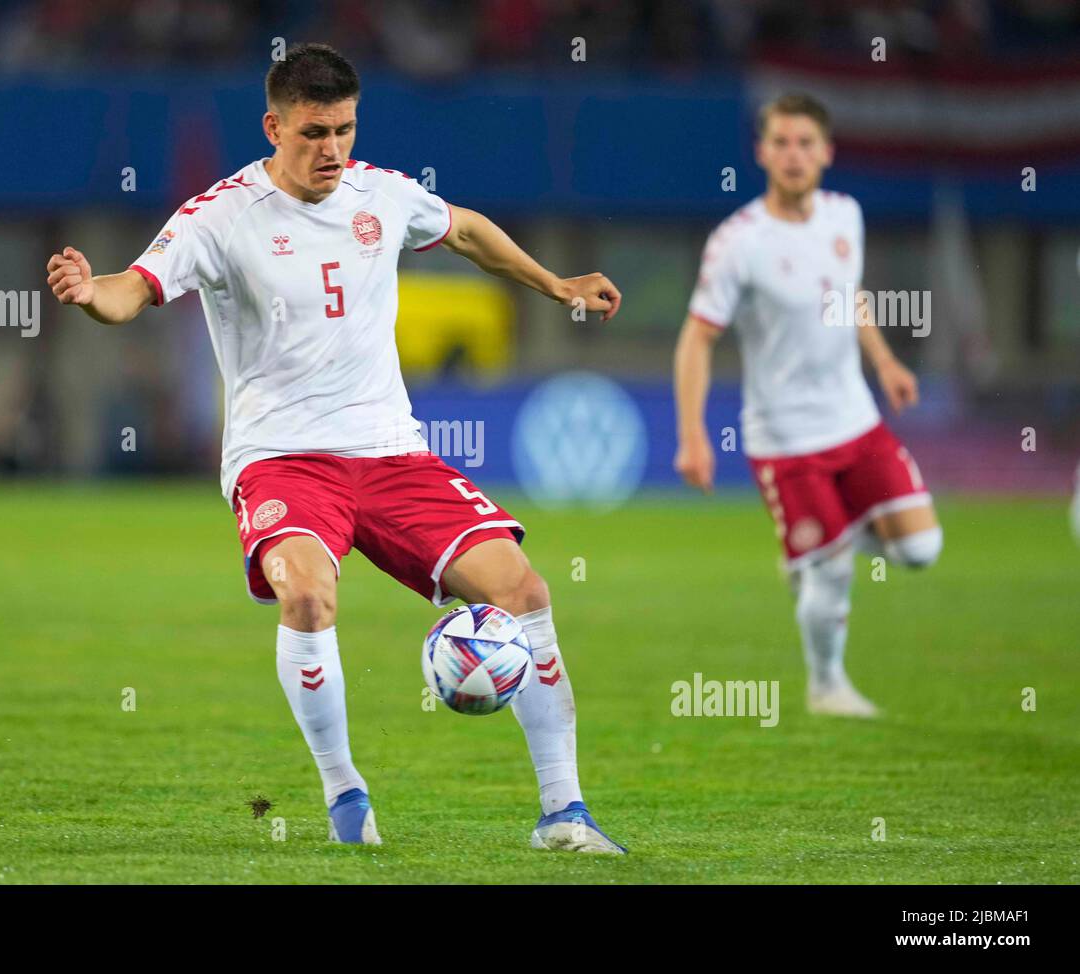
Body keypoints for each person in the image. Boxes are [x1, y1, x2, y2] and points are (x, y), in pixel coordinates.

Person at [46, 43, 626, 852]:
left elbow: (464, 232)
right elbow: (132, 291)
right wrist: (89, 290)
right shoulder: (220, 215)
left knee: (522, 594)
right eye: (315, 132)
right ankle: (345, 795)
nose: (332, 150)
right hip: (280, 458)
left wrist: (557, 284)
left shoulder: (379, 196)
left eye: (345, 130)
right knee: (309, 597)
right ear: (273, 125)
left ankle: (564, 815)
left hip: (390, 452)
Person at [673, 93, 942, 718]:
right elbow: (697, 336)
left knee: (921, 552)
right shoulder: (737, 242)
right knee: (830, 572)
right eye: (781, 143)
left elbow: (852, 299)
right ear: (763, 152)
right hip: (786, 438)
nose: (794, 155)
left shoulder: (845, 215)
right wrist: (692, 434)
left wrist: (886, 362)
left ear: (826, 152)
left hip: (857, 420)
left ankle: (815, 545)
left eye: (805, 143)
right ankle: (827, 686)